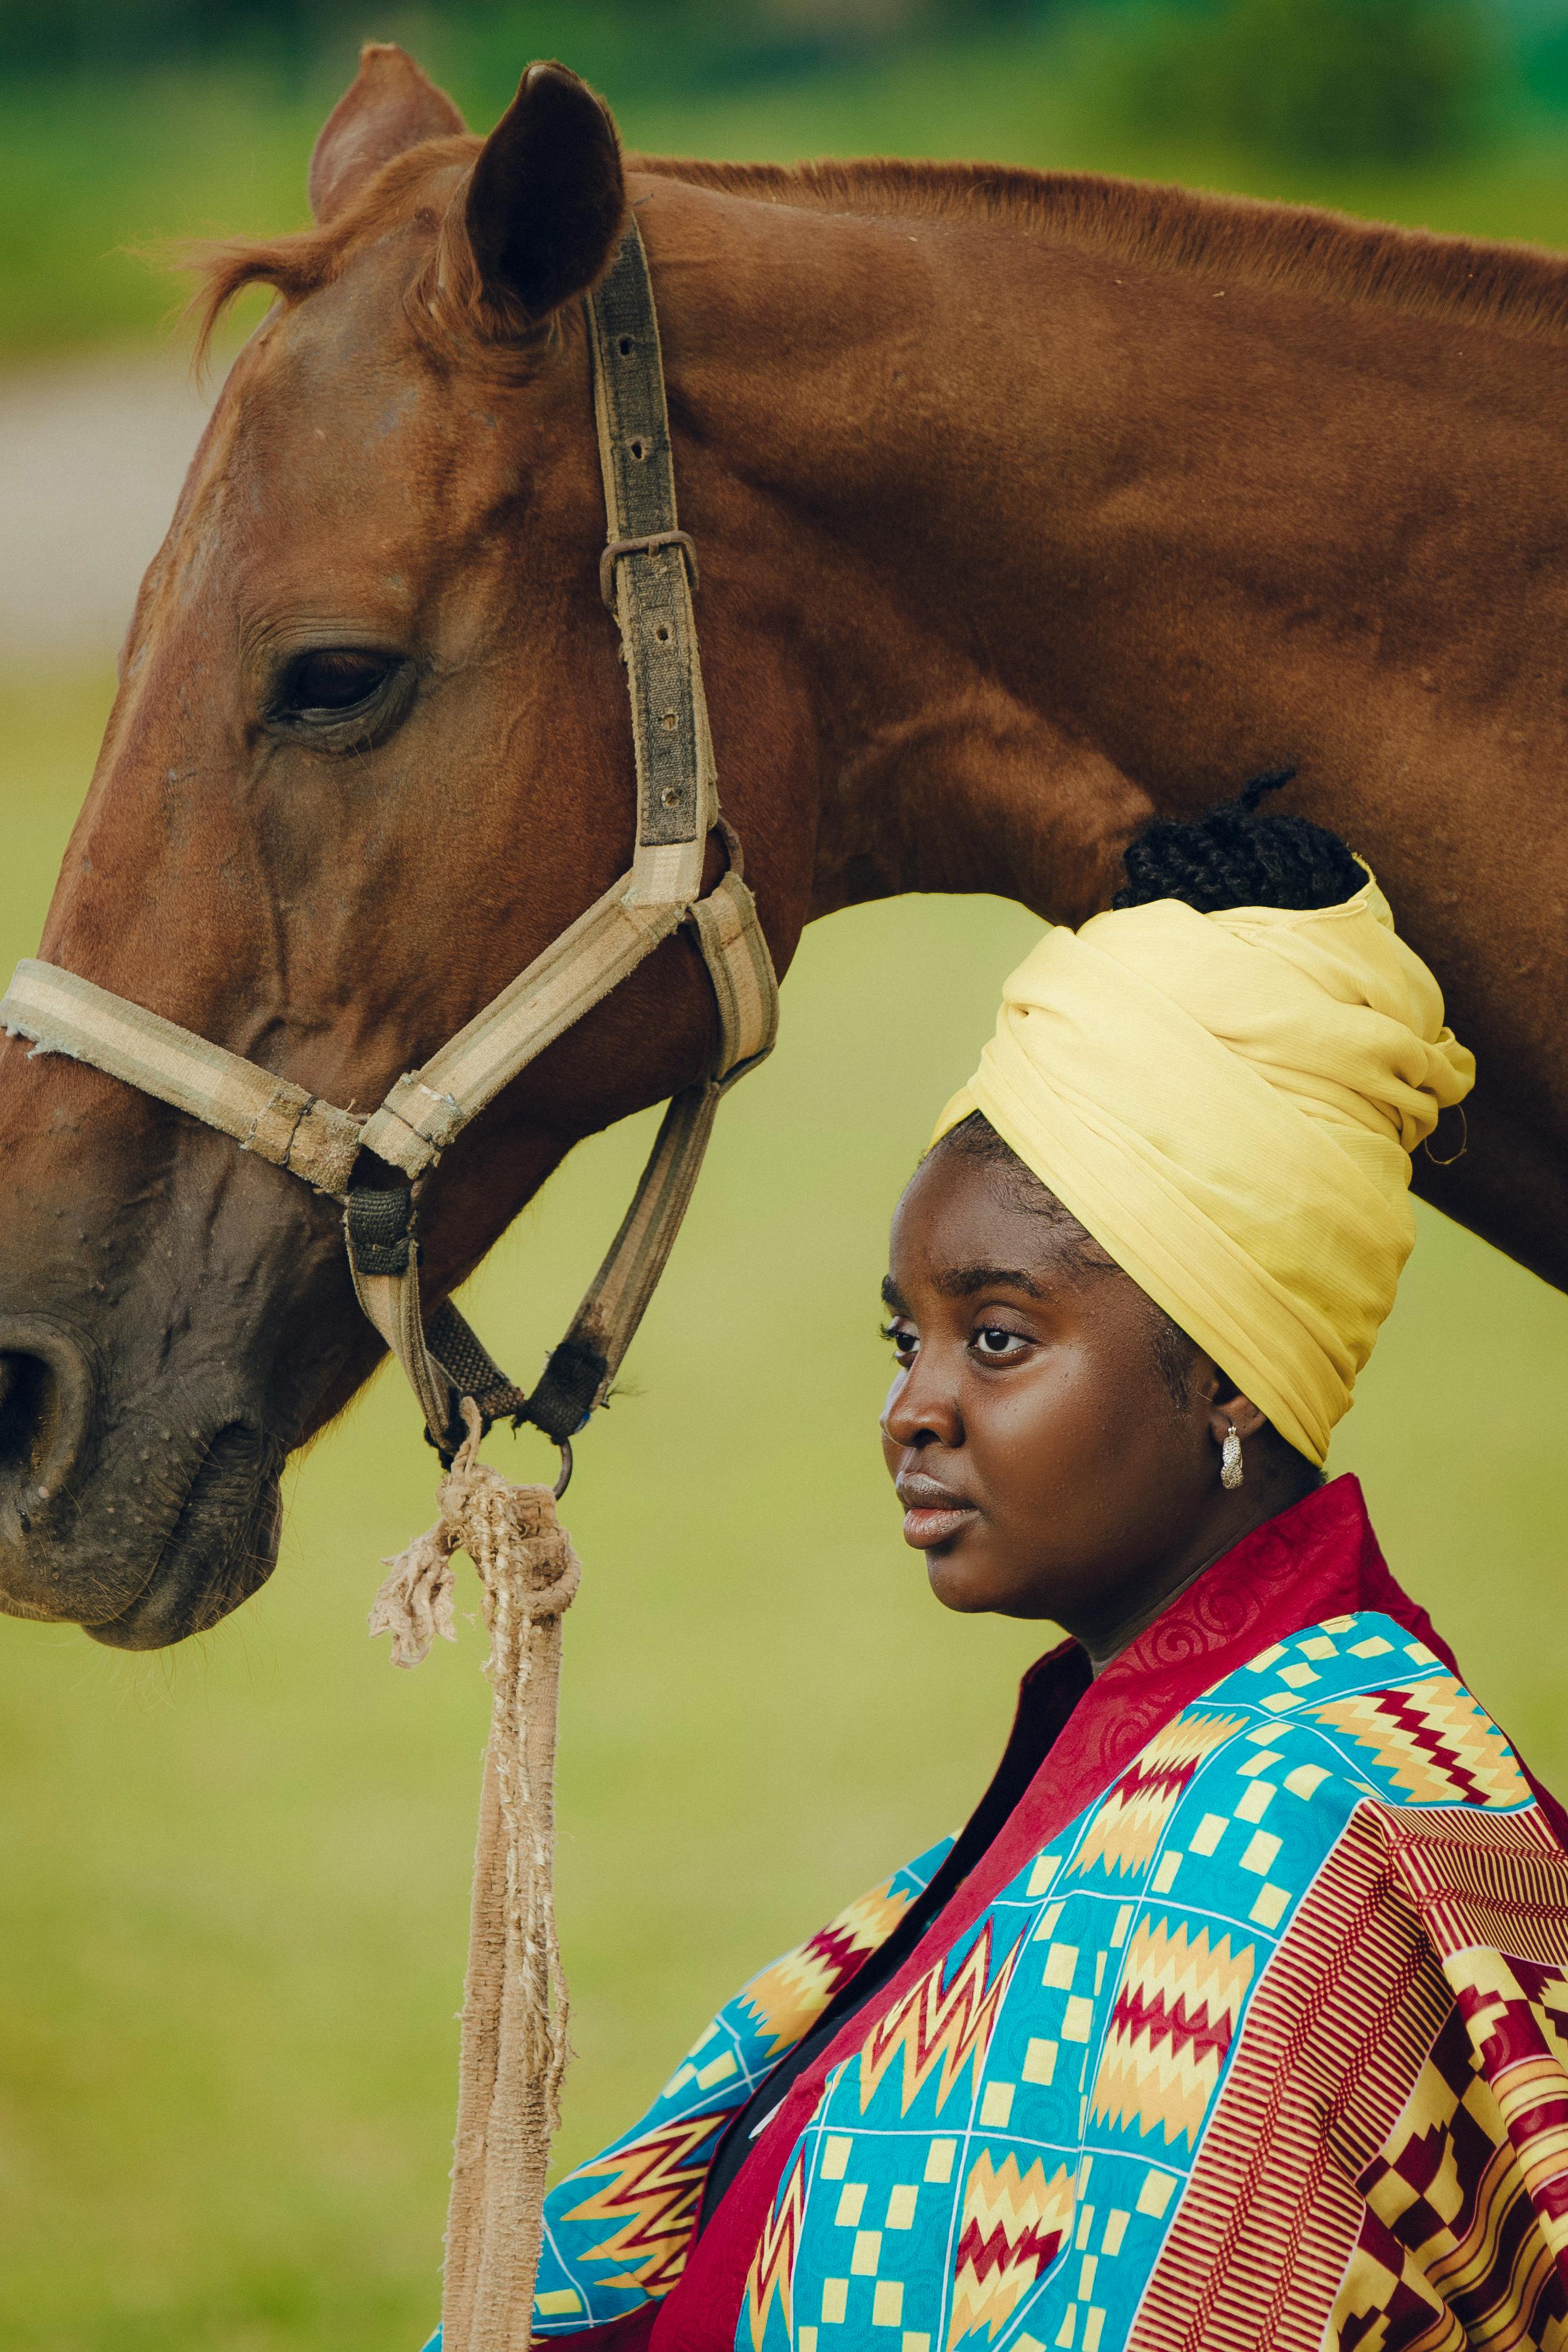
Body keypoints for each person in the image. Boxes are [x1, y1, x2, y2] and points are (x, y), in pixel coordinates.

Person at [423, 783, 1568, 2352]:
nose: (914, 1406)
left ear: (1230, 1372)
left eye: (1001, 1337)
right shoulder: (1160, 1743)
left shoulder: (1300, 1830)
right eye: (910, 1338)